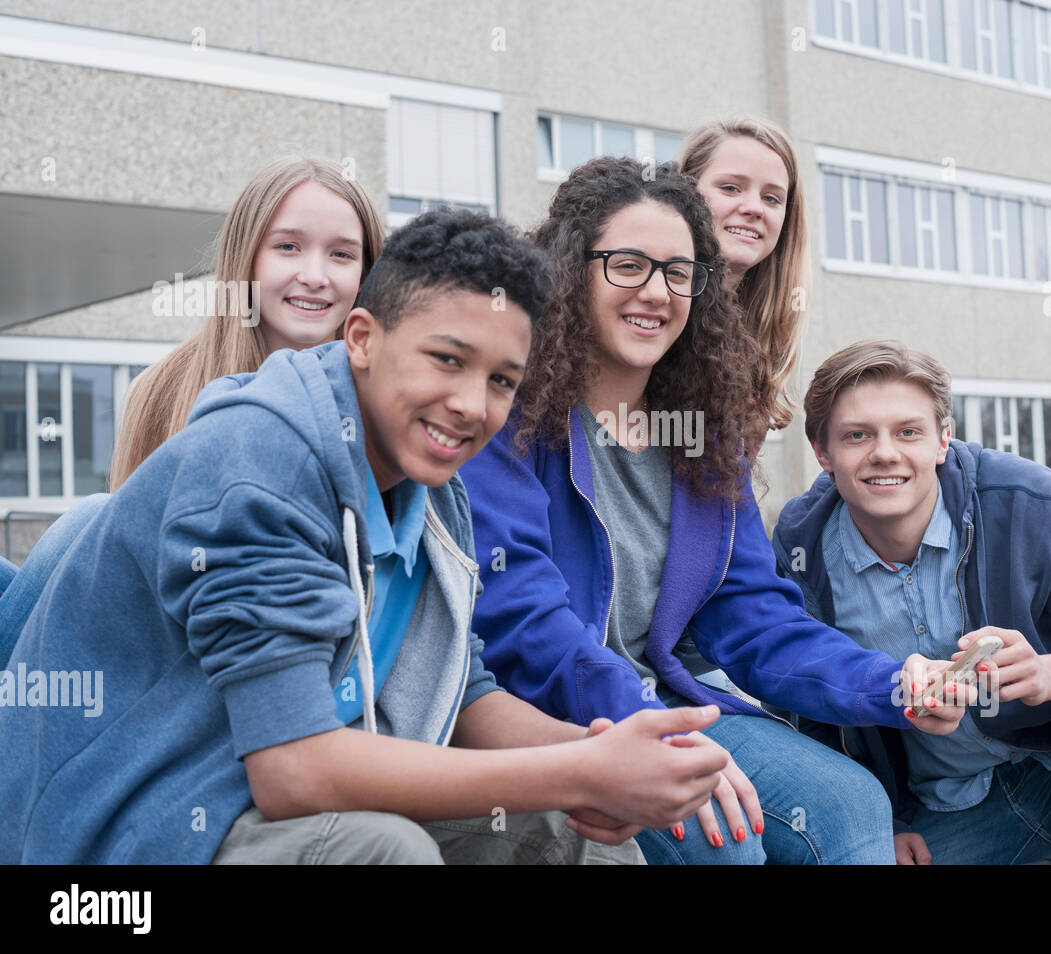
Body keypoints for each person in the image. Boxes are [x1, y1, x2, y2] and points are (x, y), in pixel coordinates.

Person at [0, 207, 733, 865]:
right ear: (361, 337)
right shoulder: (259, 460)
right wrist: (578, 773)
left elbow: (463, 689)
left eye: (503, 381)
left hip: (271, 798)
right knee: (383, 852)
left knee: (578, 841)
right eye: (447, 360)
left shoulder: (433, 484)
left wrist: (605, 753)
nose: (471, 405)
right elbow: (292, 771)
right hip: (129, 832)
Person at [458, 158, 975, 866]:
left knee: (855, 806)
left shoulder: (704, 434)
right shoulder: (512, 413)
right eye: (628, 265)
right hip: (551, 721)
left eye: (678, 272)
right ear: (572, 269)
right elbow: (521, 614)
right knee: (722, 838)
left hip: (672, 706)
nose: (656, 292)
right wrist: (655, 731)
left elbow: (756, 617)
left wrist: (893, 685)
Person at [772, 339, 1051, 864]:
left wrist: (1050, 673)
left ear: (943, 440)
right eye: (857, 435)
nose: (885, 452)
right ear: (822, 451)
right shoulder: (801, 547)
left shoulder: (1032, 501)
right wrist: (884, 819)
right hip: (947, 813)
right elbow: (805, 700)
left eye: (909, 431)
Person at [108, 156, 386, 490]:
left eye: (342, 254)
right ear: (246, 257)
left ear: (366, 273)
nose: (315, 277)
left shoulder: (388, 398)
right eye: (287, 247)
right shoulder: (160, 389)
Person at [680, 117, 810, 444]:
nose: (754, 208)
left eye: (772, 198)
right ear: (684, 192)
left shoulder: (755, 350)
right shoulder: (652, 320)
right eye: (730, 188)